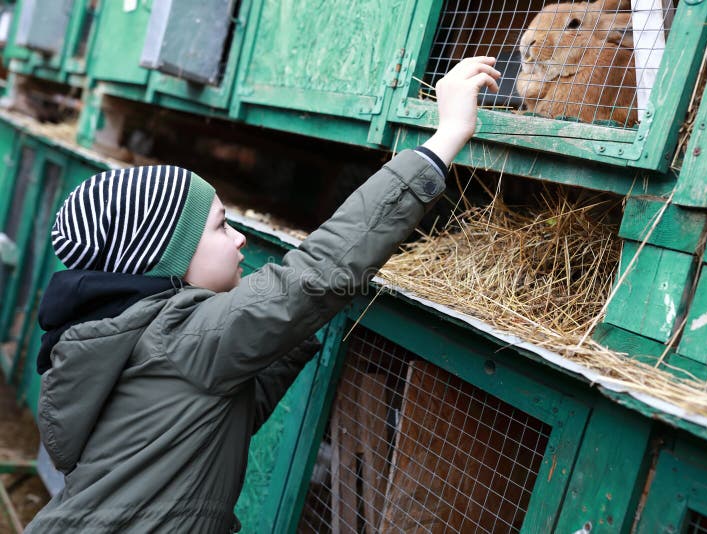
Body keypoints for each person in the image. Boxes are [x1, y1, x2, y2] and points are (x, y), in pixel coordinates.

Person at [25, 57, 500, 533]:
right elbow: (316, 274)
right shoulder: (182, 336)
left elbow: (232, 409)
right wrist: (445, 138)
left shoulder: (129, 339)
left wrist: (296, 326)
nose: (239, 239)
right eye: (219, 226)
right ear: (168, 258)